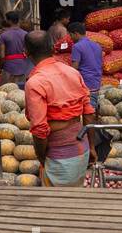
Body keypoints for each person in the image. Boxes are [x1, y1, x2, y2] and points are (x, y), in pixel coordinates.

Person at [23, 31, 94, 186]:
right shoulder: (73, 72)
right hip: (83, 149)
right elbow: (88, 113)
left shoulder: (35, 83)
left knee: (58, 205)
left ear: (26, 53)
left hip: (59, 157)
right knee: (75, 201)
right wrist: (92, 147)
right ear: (53, 47)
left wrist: (42, 158)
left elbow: (40, 129)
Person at [68, 21, 104, 107]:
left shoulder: (77, 47)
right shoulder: (97, 45)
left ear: (76, 34)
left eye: (70, 35)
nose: (70, 38)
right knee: (93, 109)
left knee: (87, 111)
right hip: (97, 83)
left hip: (85, 84)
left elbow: (74, 69)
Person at [0, 10, 32, 85]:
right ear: (18, 20)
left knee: (6, 90)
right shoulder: (25, 34)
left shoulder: (3, 35)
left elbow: (2, 56)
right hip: (23, 66)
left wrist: (0, 67)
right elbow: (29, 52)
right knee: (21, 90)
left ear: (8, 21)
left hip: (9, 67)